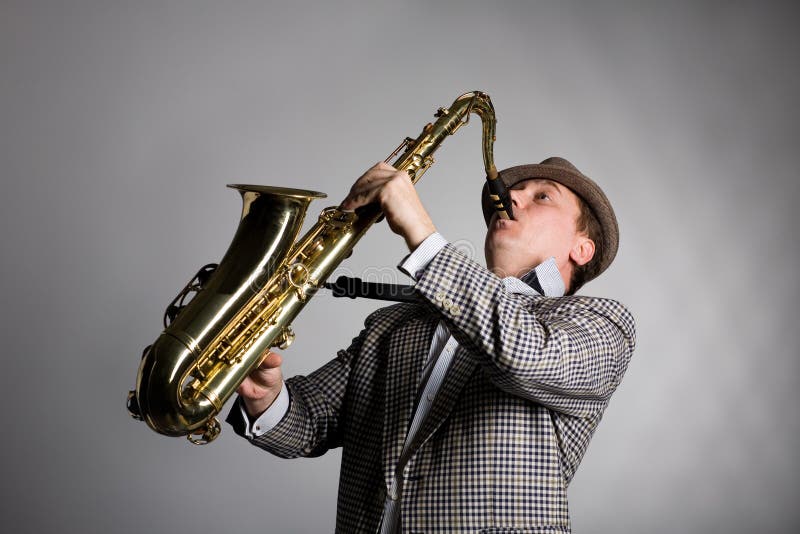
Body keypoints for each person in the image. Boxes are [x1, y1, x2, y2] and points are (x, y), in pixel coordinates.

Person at [227, 157, 636, 533]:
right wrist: (266, 399)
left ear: (582, 249)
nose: (509, 196)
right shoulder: (391, 326)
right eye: (515, 191)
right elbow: (311, 422)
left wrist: (422, 234)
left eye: (542, 196)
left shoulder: (602, 324)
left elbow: (524, 354)